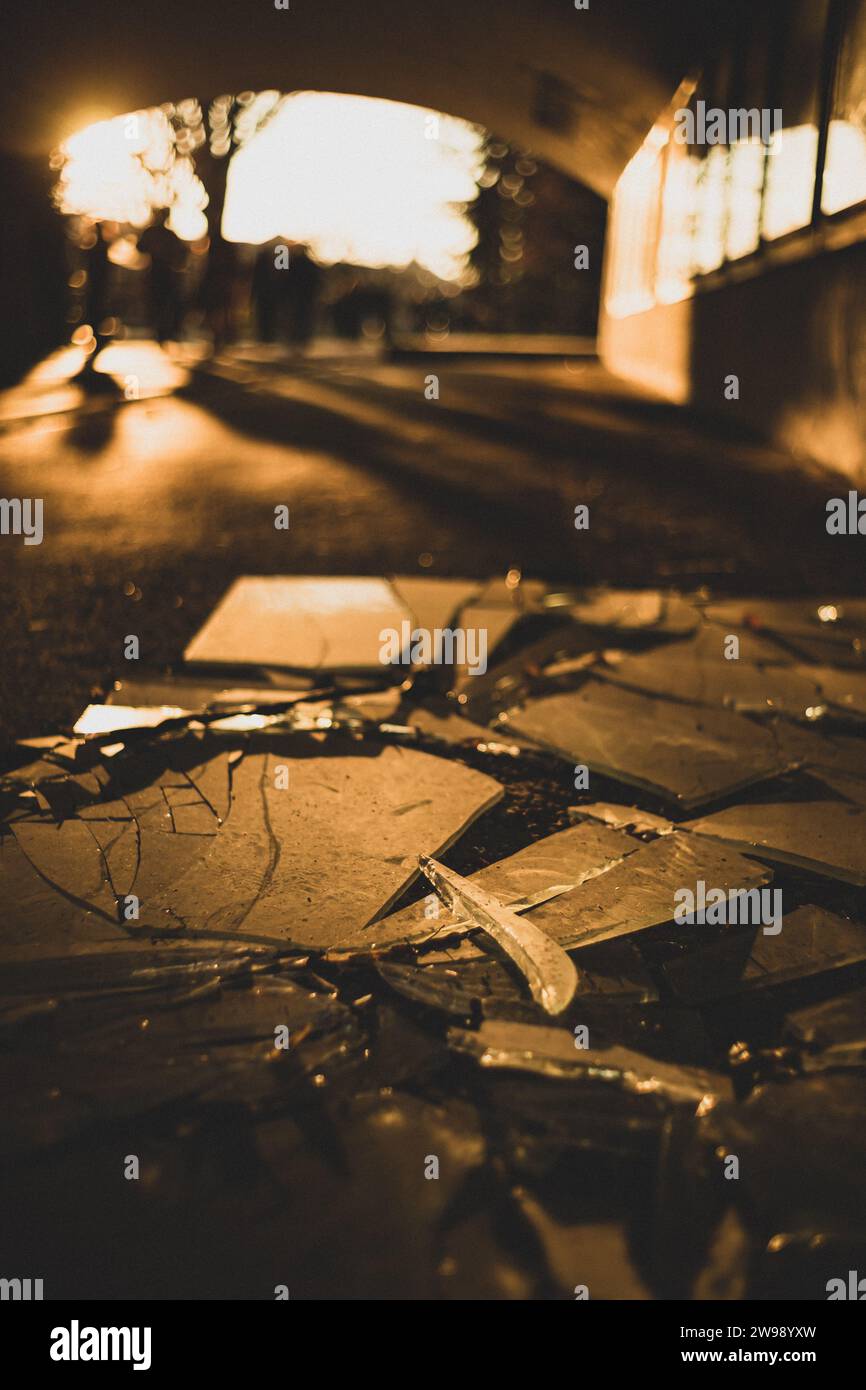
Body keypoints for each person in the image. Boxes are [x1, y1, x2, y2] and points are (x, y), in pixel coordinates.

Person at [137, 209, 187, 345]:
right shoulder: (156, 233)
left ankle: (165, 330)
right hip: (157, 272)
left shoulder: (166, 234)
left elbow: (181, 253)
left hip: (164, 273)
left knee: (165, 302)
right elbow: (140, 247)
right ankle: (162, 330)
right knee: (158, 302)